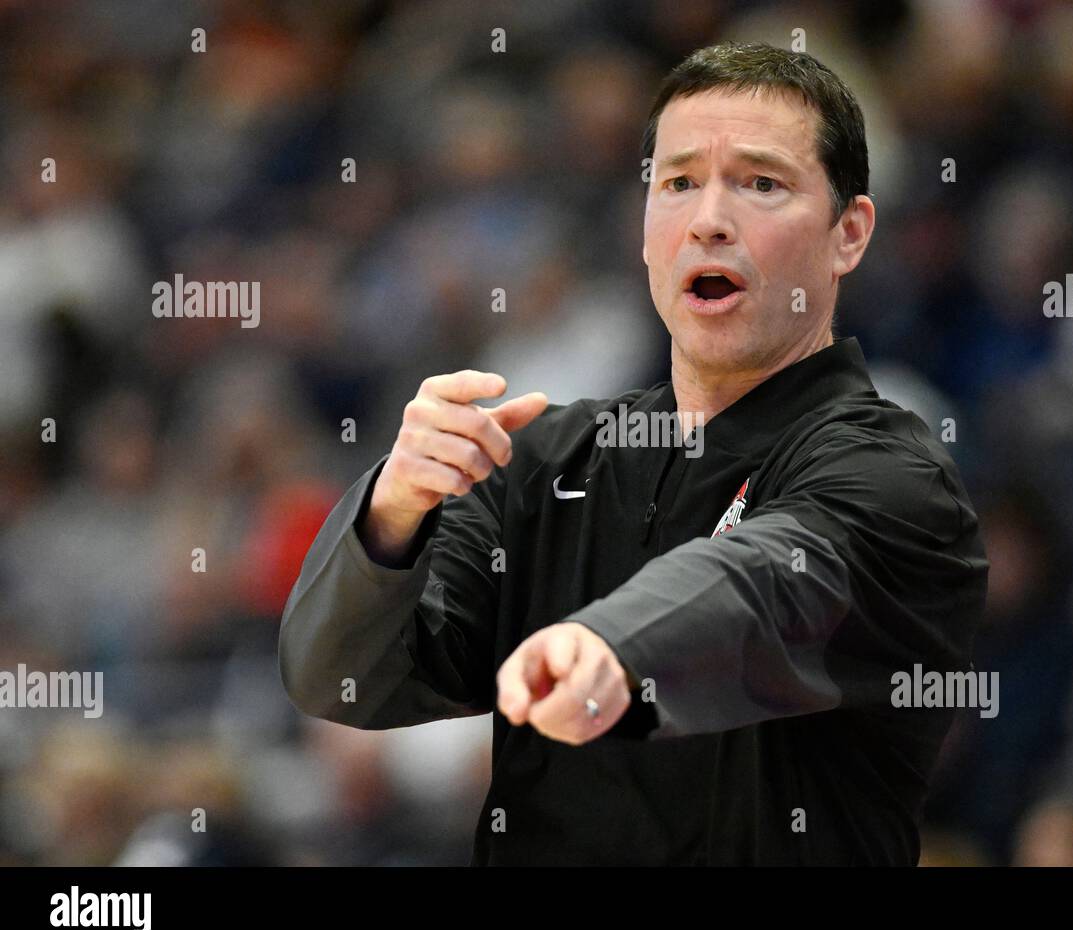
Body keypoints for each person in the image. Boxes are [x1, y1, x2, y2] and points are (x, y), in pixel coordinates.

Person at [278, 41, 987, 865]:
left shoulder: (894, 473)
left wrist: (615, 645)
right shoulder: (542, 457)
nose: (709, 219)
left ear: (848, 233)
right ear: (645, 229)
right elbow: (338, 678)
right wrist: (390, 517)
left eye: (762, 183)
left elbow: (762, 583)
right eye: (678, 183)